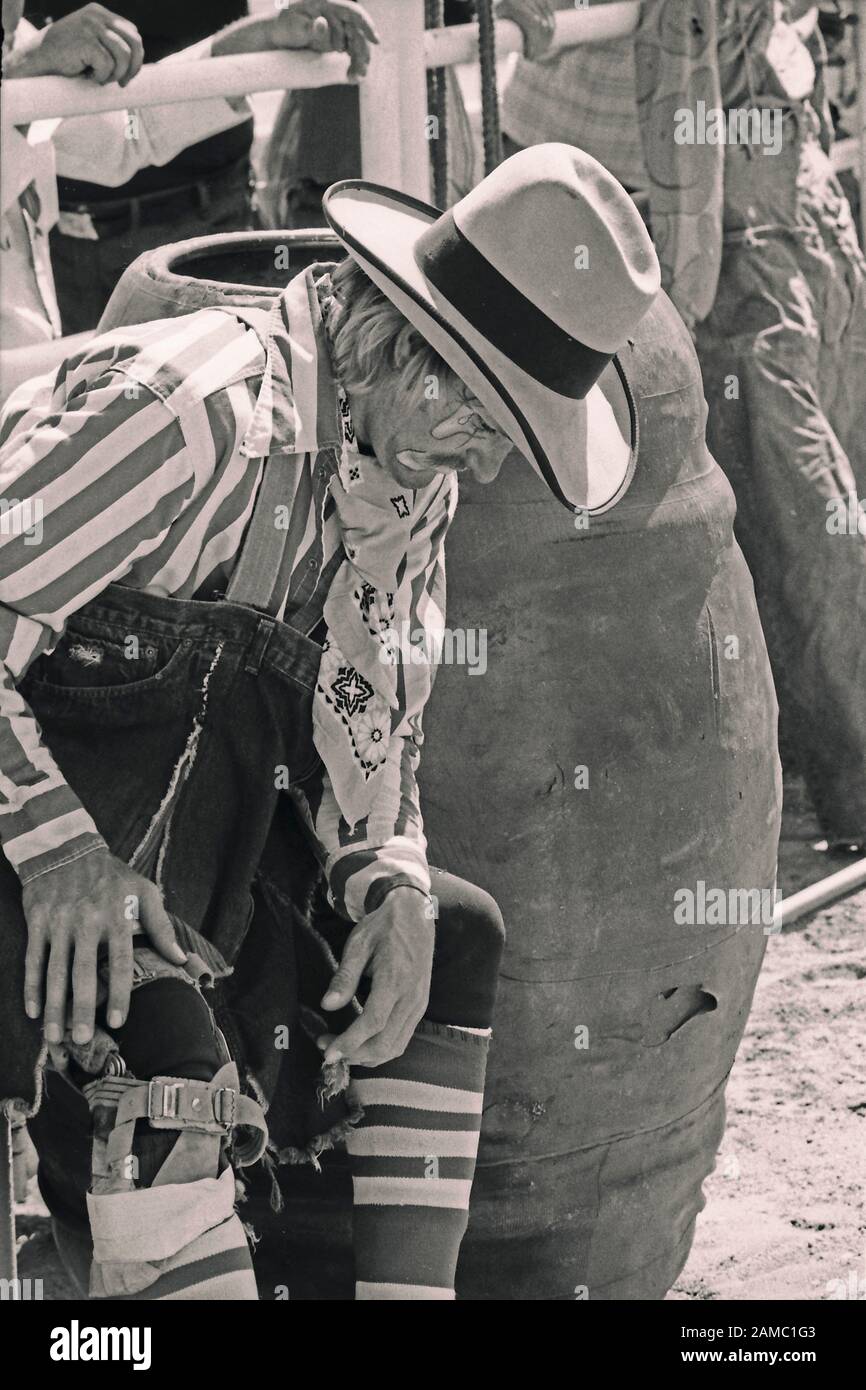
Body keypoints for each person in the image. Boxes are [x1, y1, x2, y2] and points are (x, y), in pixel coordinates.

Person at [0, 144, 662, 1300]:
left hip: (166, 833)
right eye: (489, 412)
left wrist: (386, 877)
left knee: (448, 932)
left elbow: (380, 724)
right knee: (165, 1066)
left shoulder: (408, 477)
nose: (496, 460)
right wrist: (56, 848)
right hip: (34, 816)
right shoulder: (194, 414)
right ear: (407, 350)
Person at [501, 0, 866, 854]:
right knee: (767, 494)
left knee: (796, 493)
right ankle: (807, 773)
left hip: (740, 169)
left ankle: (827, 770)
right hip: (637, 183)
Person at [12, 0, 375, 333]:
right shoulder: (25, 47)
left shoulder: (22, 42)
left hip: (199, 215)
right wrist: (21, 69)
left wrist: (262, 36)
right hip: (64, 265)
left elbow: (129, 134)